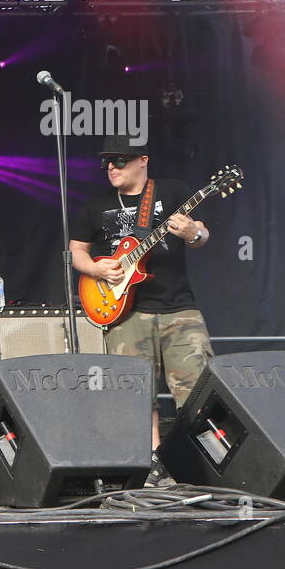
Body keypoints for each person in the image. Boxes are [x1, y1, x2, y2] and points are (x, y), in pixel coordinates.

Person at [69, 134, 213, 482]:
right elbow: (76, 252)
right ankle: (149, 464)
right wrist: (97, 269)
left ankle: (199, 465)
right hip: (125, 311)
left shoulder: (173, 191)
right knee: (135, 394)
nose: (111, 168)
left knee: (198, 389)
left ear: (142, 161)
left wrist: (192, 231)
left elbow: (203, 236)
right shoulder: (96, 204)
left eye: (119, 160)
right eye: (106, 162)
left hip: (179, 308)